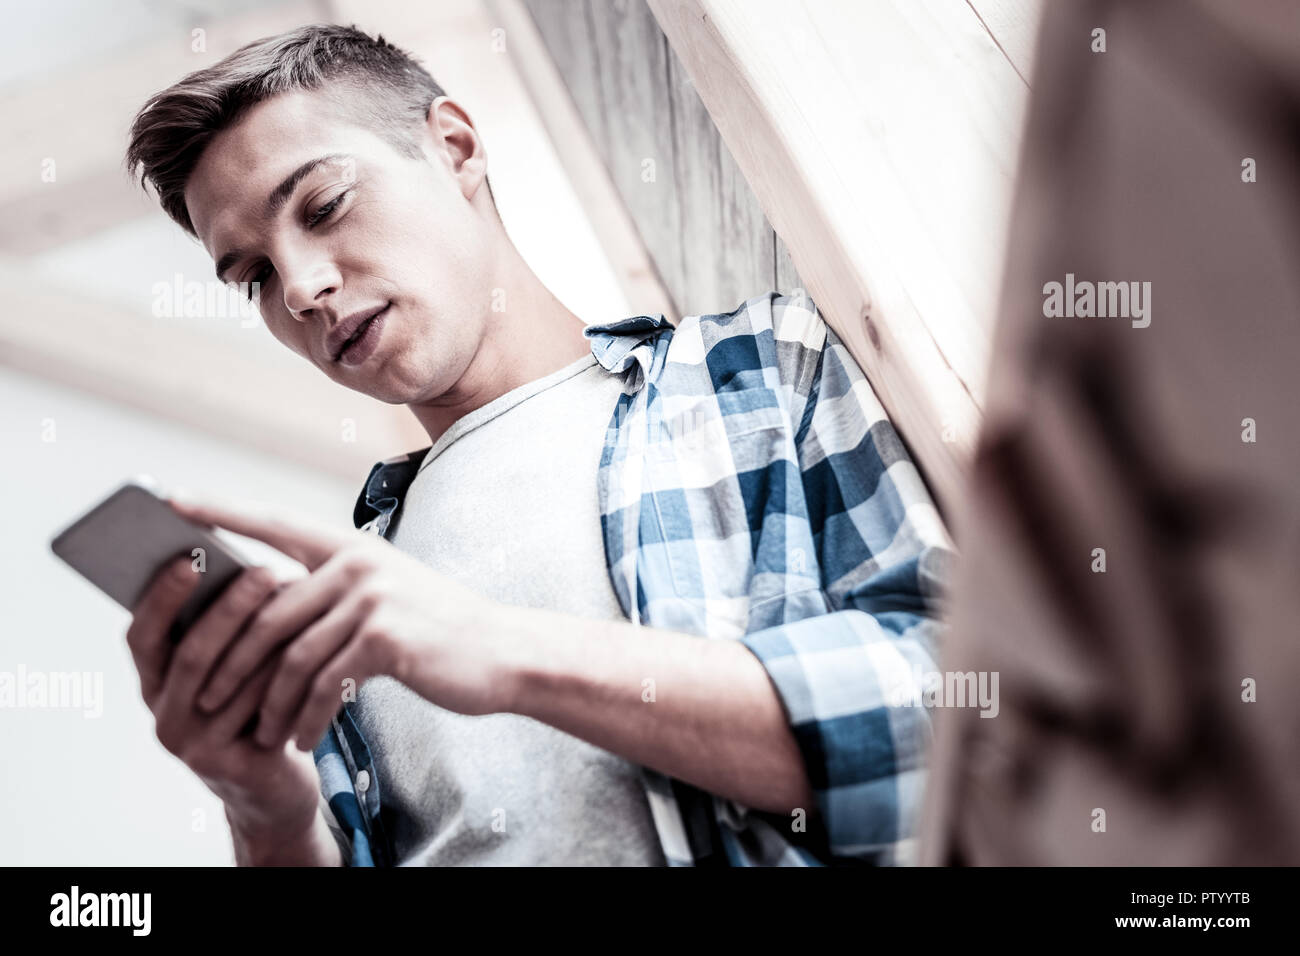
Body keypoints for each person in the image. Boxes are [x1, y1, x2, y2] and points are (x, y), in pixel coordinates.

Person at [124, 23, 952, 866]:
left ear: (454, 148)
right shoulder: (349, 602)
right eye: (255, 276)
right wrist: (267, 815)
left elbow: (962, 721)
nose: (301, 288)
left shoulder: (758, 372)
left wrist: (508, 652)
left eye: (325, 206)